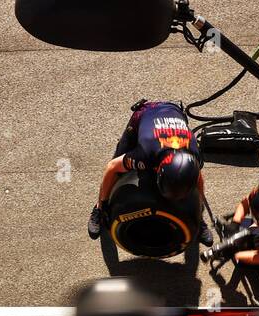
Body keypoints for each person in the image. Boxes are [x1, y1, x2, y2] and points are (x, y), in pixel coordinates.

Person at [88, 99, 211, 247]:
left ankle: (202, 220)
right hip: (147, 112)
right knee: (118, 169)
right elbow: (112, 167)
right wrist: (105, 203)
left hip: (174, 113)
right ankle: (98, 209)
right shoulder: (144, 155)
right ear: (158, 170)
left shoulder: (194, 155)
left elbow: (198, 178)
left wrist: (199, 211)